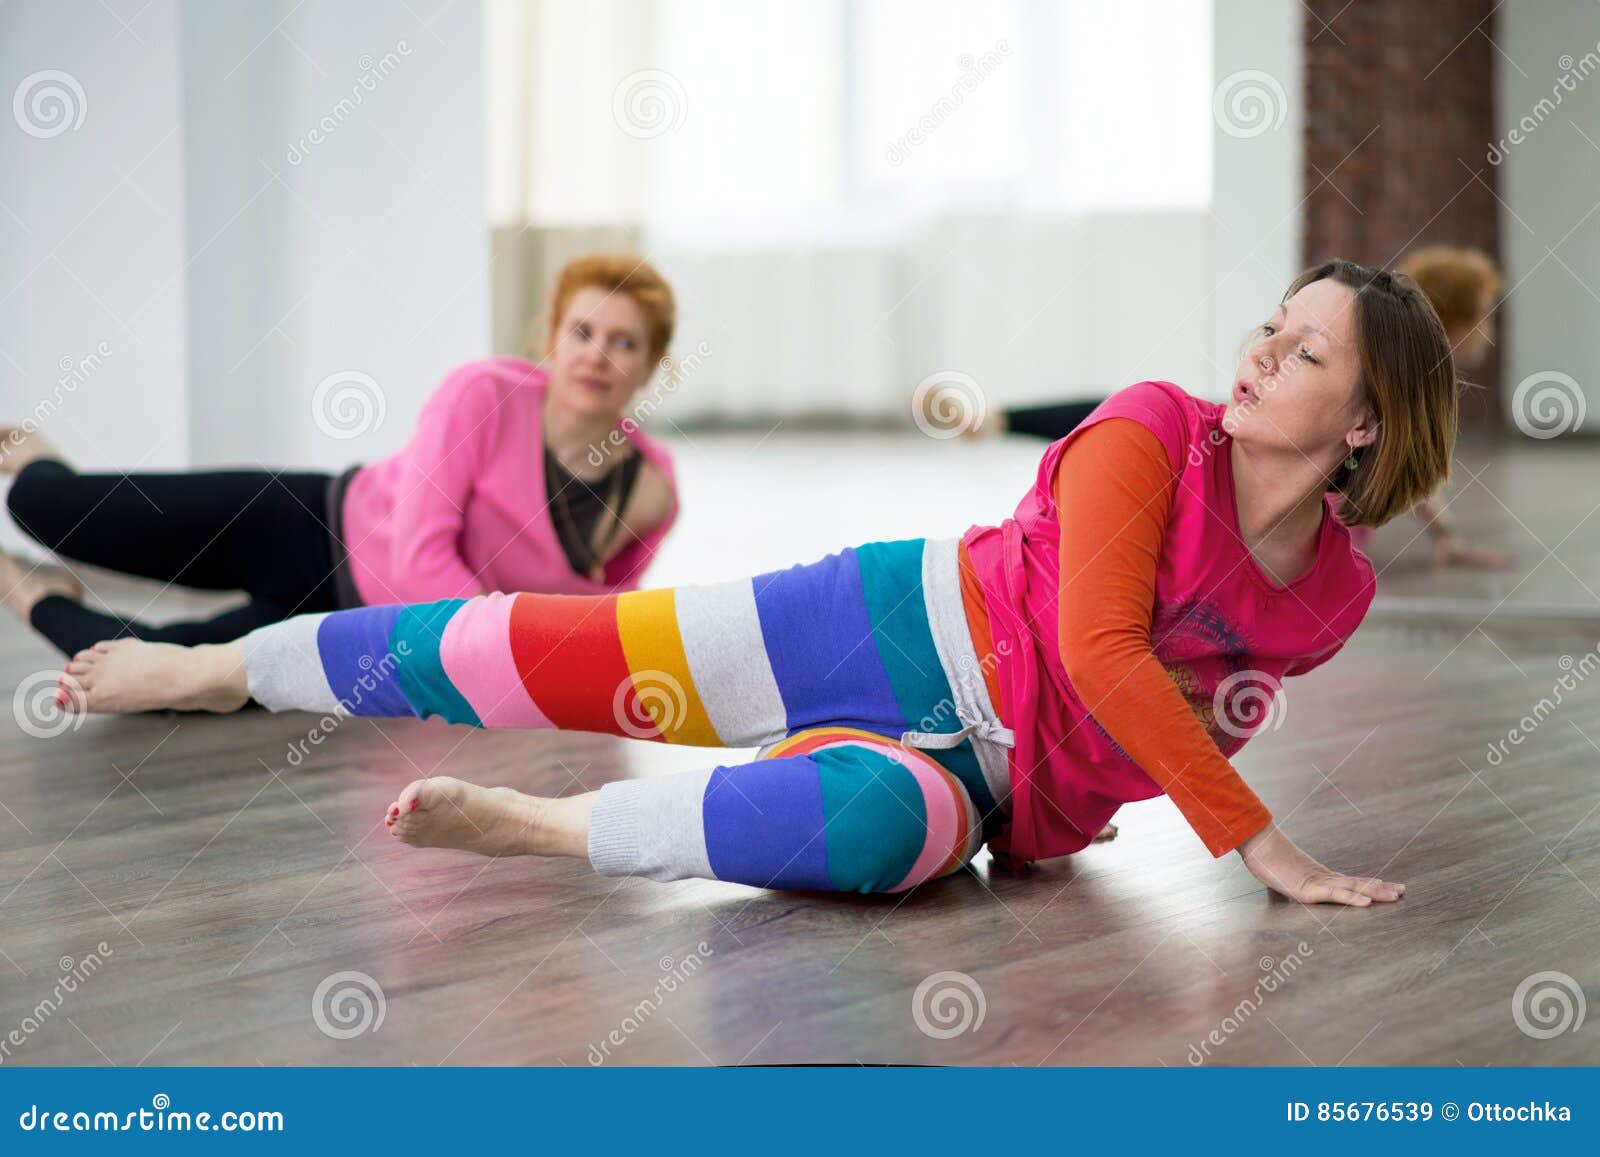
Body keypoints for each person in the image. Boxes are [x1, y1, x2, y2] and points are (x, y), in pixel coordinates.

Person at [56, 259, 1452, 909]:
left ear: (1369, 420)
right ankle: (224, 666)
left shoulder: (1331, 598)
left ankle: (548, 832)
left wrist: (1049, 823)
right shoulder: (1150, 428)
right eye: (1270, 325)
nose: (1260, 351)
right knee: (538, 650)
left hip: (984, 787)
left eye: (1304, 350)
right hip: (886, 627)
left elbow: (1184, 727)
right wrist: (1264, 846)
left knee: (881, 845)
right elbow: (1100, 652)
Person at [0, 255, 681, 655]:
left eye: (623, 342)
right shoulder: (483, 393)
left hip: (359, 628)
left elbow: (599, 618)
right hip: (304, 523)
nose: (596, 353)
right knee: (41, 506)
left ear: (650, 365)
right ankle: (38, 456)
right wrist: (495, 656)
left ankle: (28, 591)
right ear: (552, 337)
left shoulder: (651, 492)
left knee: (147, 670)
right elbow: (419, 556)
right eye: (583, 330)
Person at [941, 245, 1512, 571]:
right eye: (1272, 329)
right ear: (1456, 320)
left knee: (1135, 414)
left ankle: (998, 419)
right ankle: (999, 419)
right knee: (1134, 415)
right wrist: (1447, 538)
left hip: (1287, 515)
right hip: (1275, 479)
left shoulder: (1389, 408)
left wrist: (1445, 537)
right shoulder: (1371, 387)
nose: (1488, 332)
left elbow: (1411, 477)